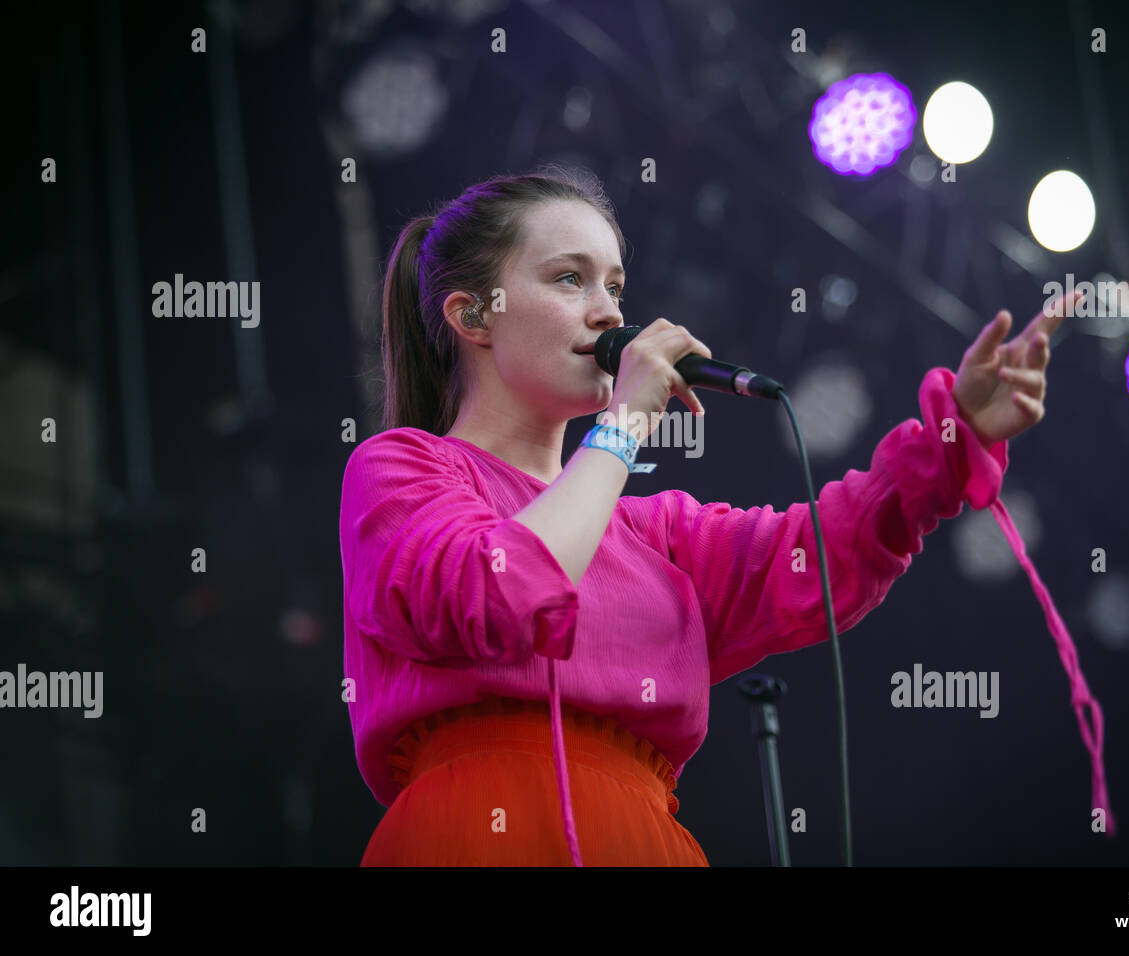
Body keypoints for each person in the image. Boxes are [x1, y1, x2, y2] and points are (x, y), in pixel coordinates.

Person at [340, 165, 1072, 866]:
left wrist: (955, 438)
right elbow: (492, 589)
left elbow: (821, 550)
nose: (610, 313)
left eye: (616, 286)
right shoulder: (401, 471)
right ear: (474, 316)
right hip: (477, 835)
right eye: (570, 279)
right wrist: (622, 428)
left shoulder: (656, 535)